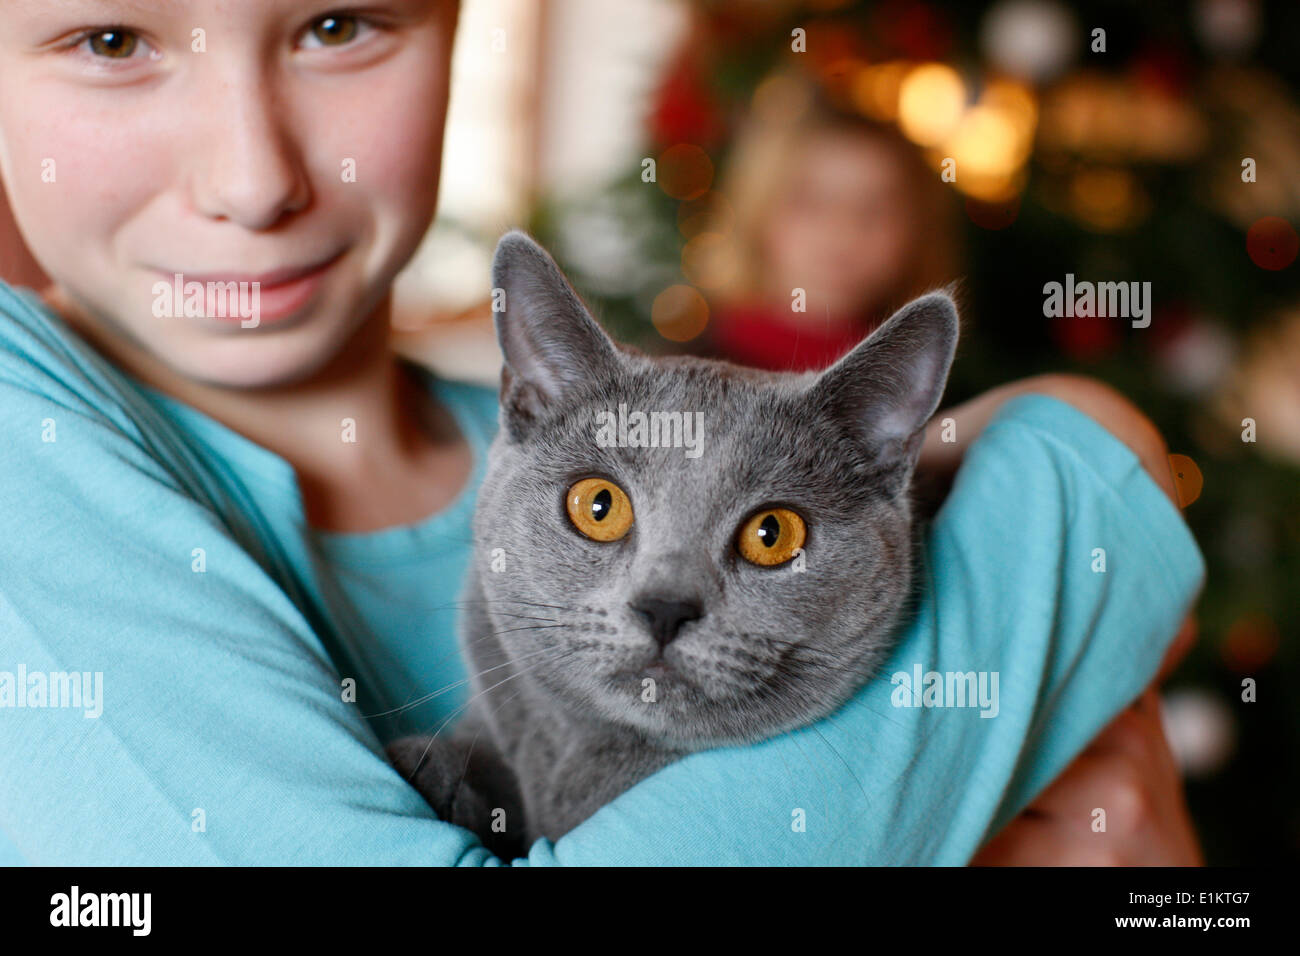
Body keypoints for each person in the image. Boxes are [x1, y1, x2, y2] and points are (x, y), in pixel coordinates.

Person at [0, 0, 1203, 865]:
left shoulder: (580, 441)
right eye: (110, 40)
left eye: (338, 25)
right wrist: (1076, 466)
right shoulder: (23, 424)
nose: (251, 178)